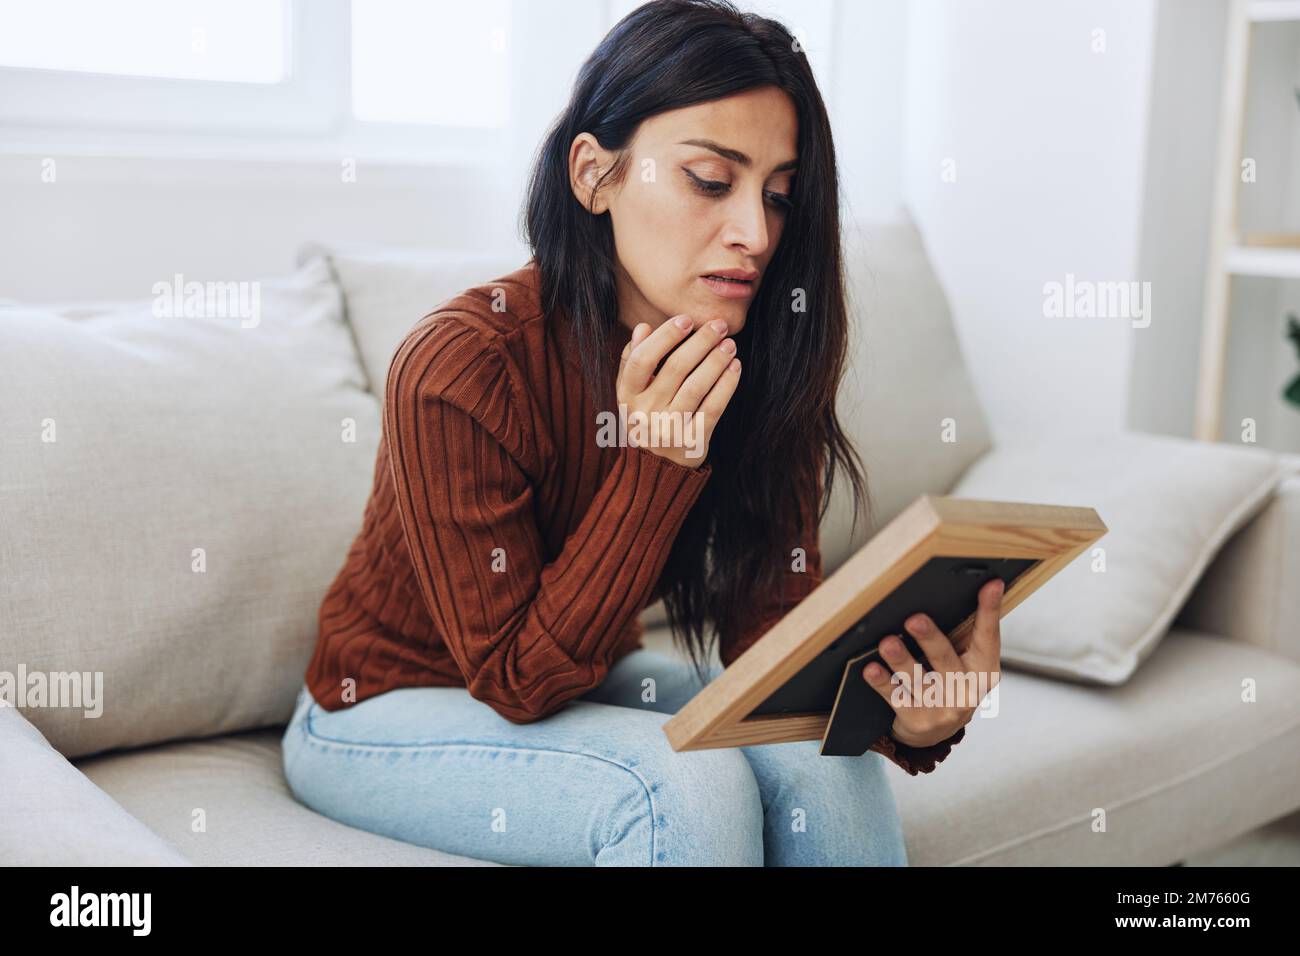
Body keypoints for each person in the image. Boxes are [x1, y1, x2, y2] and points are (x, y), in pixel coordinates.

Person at [282, 0, 996, 867]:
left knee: (822, 763)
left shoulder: (751, 357)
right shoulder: (459, 363)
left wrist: (906, 715)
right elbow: (515, 681)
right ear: (594, 174)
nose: (756, 233)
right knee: (683, 787)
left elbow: (769, 642)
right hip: (380, 708)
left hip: (578, 677)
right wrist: (657, 463)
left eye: (779, 195)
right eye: (709, 179)